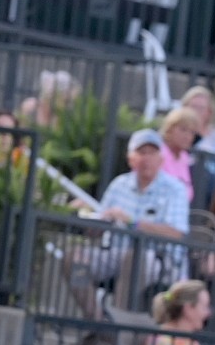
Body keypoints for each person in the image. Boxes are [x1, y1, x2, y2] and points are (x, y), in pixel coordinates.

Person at [74, 130, 191, 308]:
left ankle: (118, 326)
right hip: (114, 253)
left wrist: (132, 222)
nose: (147, 158)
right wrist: (92, 218)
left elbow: (175, 233)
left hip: (159, 260)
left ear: (161, 159)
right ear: (131, 159)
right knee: (74, 258)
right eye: (141, 152)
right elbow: (95, 231)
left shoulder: (175, 189)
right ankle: (96, 320)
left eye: (152, 152)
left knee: (134, 259)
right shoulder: (118, 185)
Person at [158, 107, 202, 205]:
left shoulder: (184, 157)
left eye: (192, 132)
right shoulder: (158, 153)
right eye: (183, 129)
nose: (187, 136)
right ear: (169, 129)